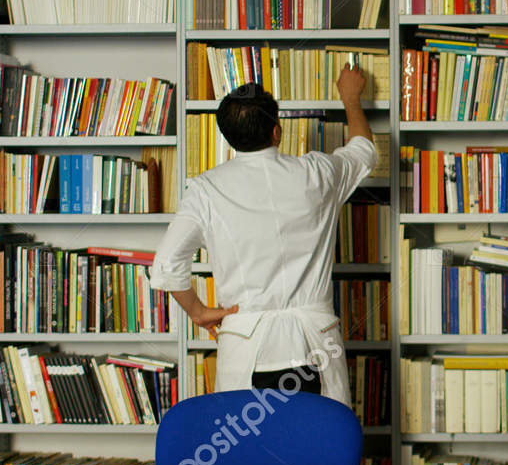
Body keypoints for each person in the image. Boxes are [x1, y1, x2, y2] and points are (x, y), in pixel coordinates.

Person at [149, 67, 375, 403]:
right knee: (319, 449)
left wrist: (198, 312)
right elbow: (364, 151)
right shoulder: (317, 173)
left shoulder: (205, 189)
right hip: (313, 347)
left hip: (245, 346)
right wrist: (350, 99)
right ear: (277, 131)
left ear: (227, 139)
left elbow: (166, 265)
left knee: (248, 450)